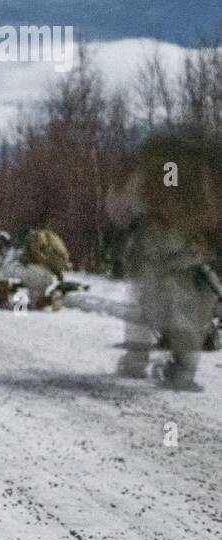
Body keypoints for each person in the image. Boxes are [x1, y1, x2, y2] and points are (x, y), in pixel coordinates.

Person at [110, 132, 222, 391]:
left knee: (148, 309)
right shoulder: (188, 172)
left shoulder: (170, 169)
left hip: (169, 253)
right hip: (177, 253)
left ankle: (142, 363)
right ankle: (176, 368)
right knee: (175, 310)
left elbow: (142, 206)